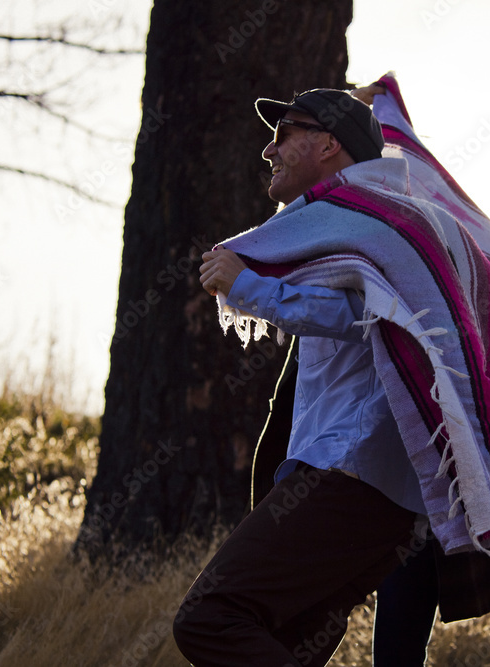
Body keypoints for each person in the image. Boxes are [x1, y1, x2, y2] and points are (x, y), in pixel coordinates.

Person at [174, 87, 437, 667]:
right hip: (373, 493)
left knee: (210, 620)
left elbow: (364, 319)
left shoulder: (366, 218)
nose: (269, 150)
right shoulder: (350, 223)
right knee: (283, 641)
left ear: (328, 143)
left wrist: (248, 286)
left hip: (350, 475)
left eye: (284, 133)